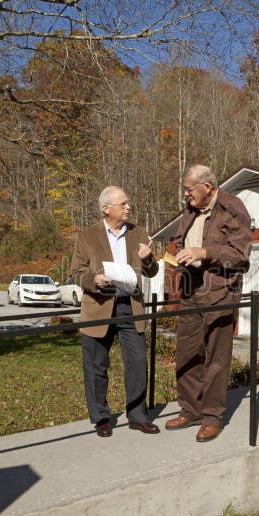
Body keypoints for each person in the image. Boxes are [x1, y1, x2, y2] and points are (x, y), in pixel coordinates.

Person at [166, 164, 252, 442]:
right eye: (185, 190)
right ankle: (190, 410)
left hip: (220, 293)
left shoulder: (232, 207)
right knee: (188, 352)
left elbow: (240, 254)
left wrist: (204, 252)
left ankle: (212, 417)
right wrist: (179, 255)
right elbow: (180, 240)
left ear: (208, 187)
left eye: (189, 190)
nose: (186, 195)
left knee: (216, 358)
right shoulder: (191, 210)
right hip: (191, 290)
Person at [71, 186, 160, 437]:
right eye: (124, 204)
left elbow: (151, 272)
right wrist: (93, 280)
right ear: (106, 208)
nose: (128, 207)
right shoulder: (86, 236)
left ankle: (138, 416)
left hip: (130, 306)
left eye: (128, 203)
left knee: (137, 363)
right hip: (98, 306)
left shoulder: (139, 233)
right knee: (96, 366)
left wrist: (148, 259)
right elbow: (76, 271)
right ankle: (101, 418)